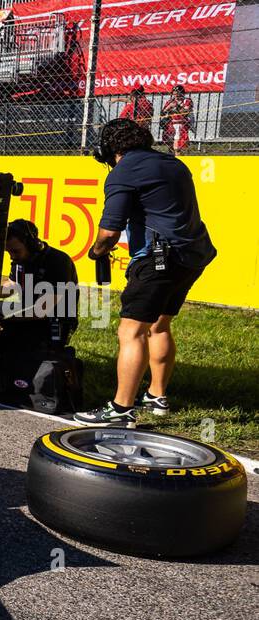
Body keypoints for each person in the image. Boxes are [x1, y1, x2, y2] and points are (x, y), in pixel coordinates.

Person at [74, 118, 216, 425]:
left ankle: (121, 409)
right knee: (159, 325)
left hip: (158, 259)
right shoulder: (173, 163)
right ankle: (156, 395)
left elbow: (109, 232)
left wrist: (96, 251)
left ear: (107, 149)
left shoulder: (123, 173)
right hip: (192, 255)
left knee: (131, 331)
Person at [0, 219, 79, 361]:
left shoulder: (58, 261)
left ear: (32, 244)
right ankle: (16, 357)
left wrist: (1, 313)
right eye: (9, 252)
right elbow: (12, 285)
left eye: (15, 251)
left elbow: (43, 310)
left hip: (55, 323)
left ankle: (20, 358)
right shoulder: (20, 259)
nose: (12, 256)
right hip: (29, 316)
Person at [160, 84, 193, 155]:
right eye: (174, 94)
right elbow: (162, 113)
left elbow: (185, 112)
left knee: (179, 147)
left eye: (178, 93)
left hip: (182, 125)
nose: (176, 96)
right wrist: (169, 107)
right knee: (171, 146)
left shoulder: (187, 101)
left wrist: (176, 107)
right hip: (171, 125)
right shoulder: (170, 102)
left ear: (182, 93)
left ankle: (180, 157)